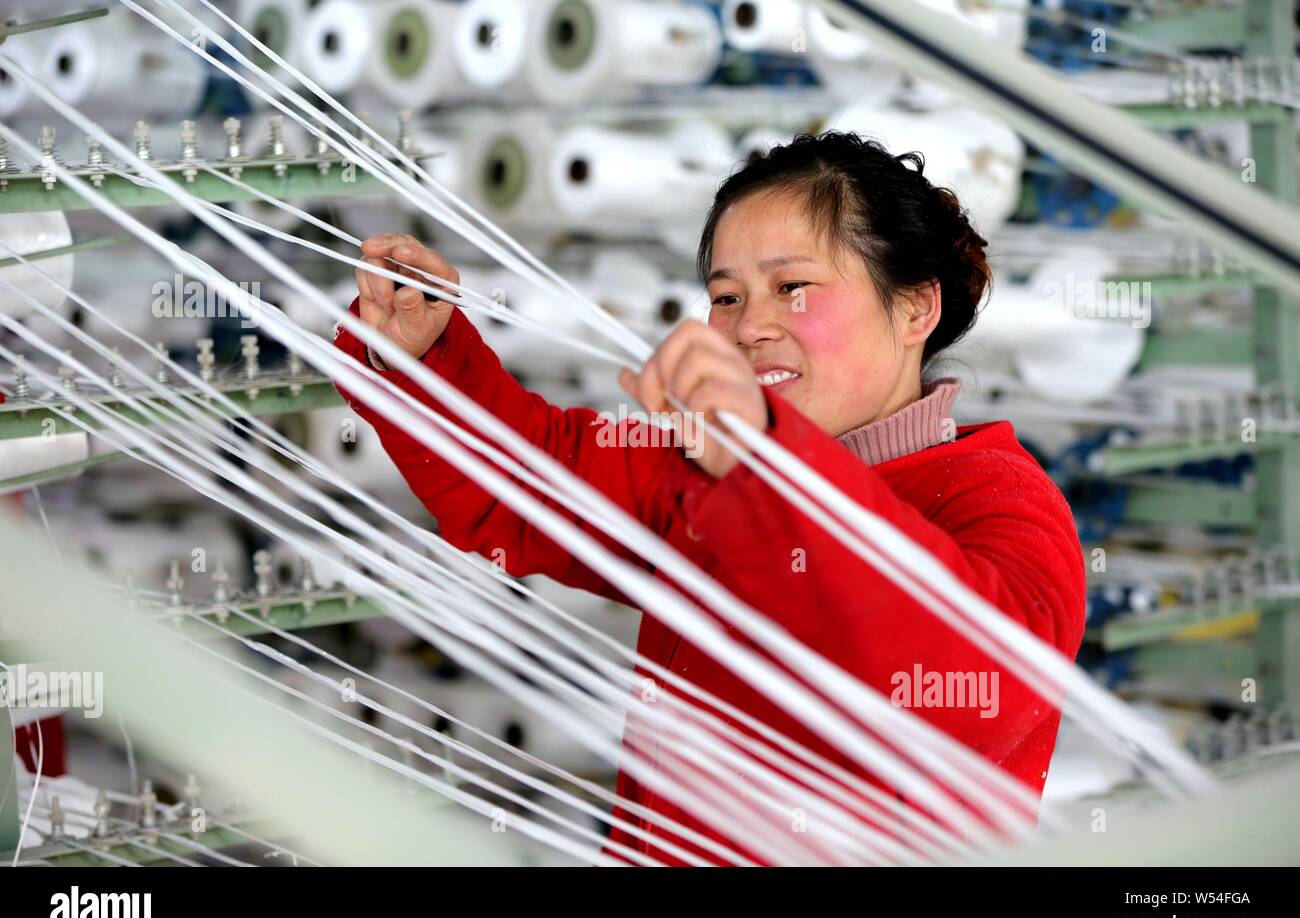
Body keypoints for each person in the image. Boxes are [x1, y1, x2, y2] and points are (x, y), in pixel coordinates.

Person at [332, 131, 1087, 866]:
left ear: (916, 309)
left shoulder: (1003, 503)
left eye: (793, 288)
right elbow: (535, 480)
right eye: (725, 297)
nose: (750, 327)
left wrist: (762, 464)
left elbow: (963, 691)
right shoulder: (704, 468)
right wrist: (425, 361)